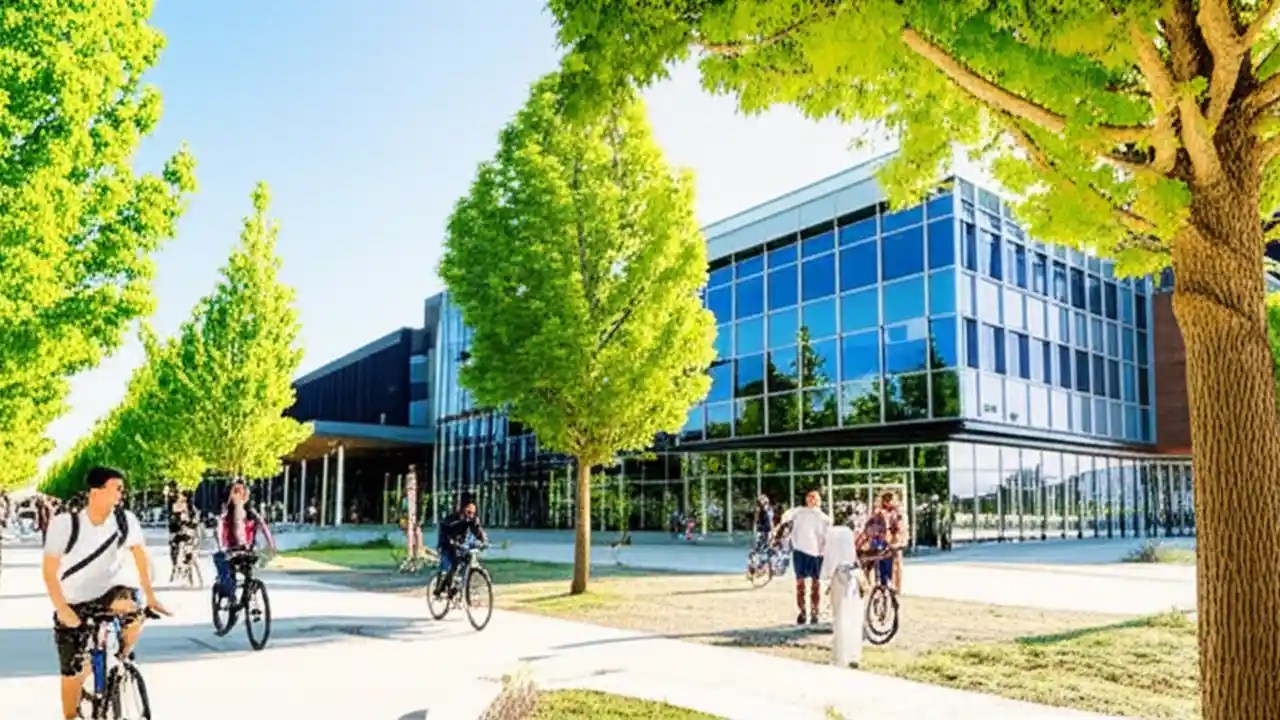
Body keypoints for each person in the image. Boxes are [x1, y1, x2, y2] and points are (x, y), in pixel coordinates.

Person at [42, 467, 169, 720]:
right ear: (96, 492)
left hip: (113, 591)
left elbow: (140, 556)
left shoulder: (125, 520)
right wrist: (63, 609)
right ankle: (70, 714)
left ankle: (121, 657)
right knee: (72, 673)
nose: (122, 493)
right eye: (116, 488)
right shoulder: (66, 524)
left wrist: (151, 595)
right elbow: (49, 571)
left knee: (134, 607)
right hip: (75, 600)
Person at [213, 481, 277, 599]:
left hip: (248, 549)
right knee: (229, 576)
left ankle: (250, 599)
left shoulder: (251, 513)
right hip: (231, 550)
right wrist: (221, 545)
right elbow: (219, 528)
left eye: (242, 493)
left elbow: (264, 527)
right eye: (235, 492)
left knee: (249, 574)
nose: (239, 496)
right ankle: (231, 597)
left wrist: (271, 545)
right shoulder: (226, 513)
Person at [779, 490, 832, 625]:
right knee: (800, 583)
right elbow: (785, 519)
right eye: (809, 498)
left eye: (814, 498)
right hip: (800, 551)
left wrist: (827, 552)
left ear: (818, 501)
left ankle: (815, 611)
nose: (811, 500)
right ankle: (802, 611)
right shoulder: (799, 512)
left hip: (817, 553)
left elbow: (828, 537)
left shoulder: (824, 518)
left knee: (816, 583)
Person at [821, 503, 863, 669]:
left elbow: (830, 557)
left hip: (839, 573)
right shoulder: (848, 533)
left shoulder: (832, 533)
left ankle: (840, 656)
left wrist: (826, 577)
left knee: (839, 615)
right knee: (853, 614)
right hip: (852, 573)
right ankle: (854, 653)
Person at [432, 498, 488, 597]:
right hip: (447, 543)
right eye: (469, 512)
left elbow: (477, 530)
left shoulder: (472, 519)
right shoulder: (452, 519)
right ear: (462, 509)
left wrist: (484, 541)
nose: (471, 515)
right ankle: (441, 588)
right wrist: (451, 542)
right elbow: (445, 532)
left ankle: (459, 585)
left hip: (461, 543)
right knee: (451, 564)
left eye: (473, 512)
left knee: (466, 559)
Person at [856, 490, 907, 593]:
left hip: (893, 544)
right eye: (885, 500)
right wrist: (862, 541)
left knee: (894, 566)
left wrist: (898, 540)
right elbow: (868, 527)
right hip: (880, 543)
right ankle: (879, 586)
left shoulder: (898, 514)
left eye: (890, 500)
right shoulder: (877, 513)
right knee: (878, 564)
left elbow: (902, 529)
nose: (888, 502)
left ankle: (895, 588)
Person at [167, 492, 199, 570]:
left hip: (187, 531)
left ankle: (188, 558)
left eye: (183, 500)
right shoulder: (174, 507)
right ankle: (175, 564)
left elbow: (194, 522)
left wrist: (189, 525)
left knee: (188, 541)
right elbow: (172, 523)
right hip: (177, 530)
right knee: (174, 544)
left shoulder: (190, 507)